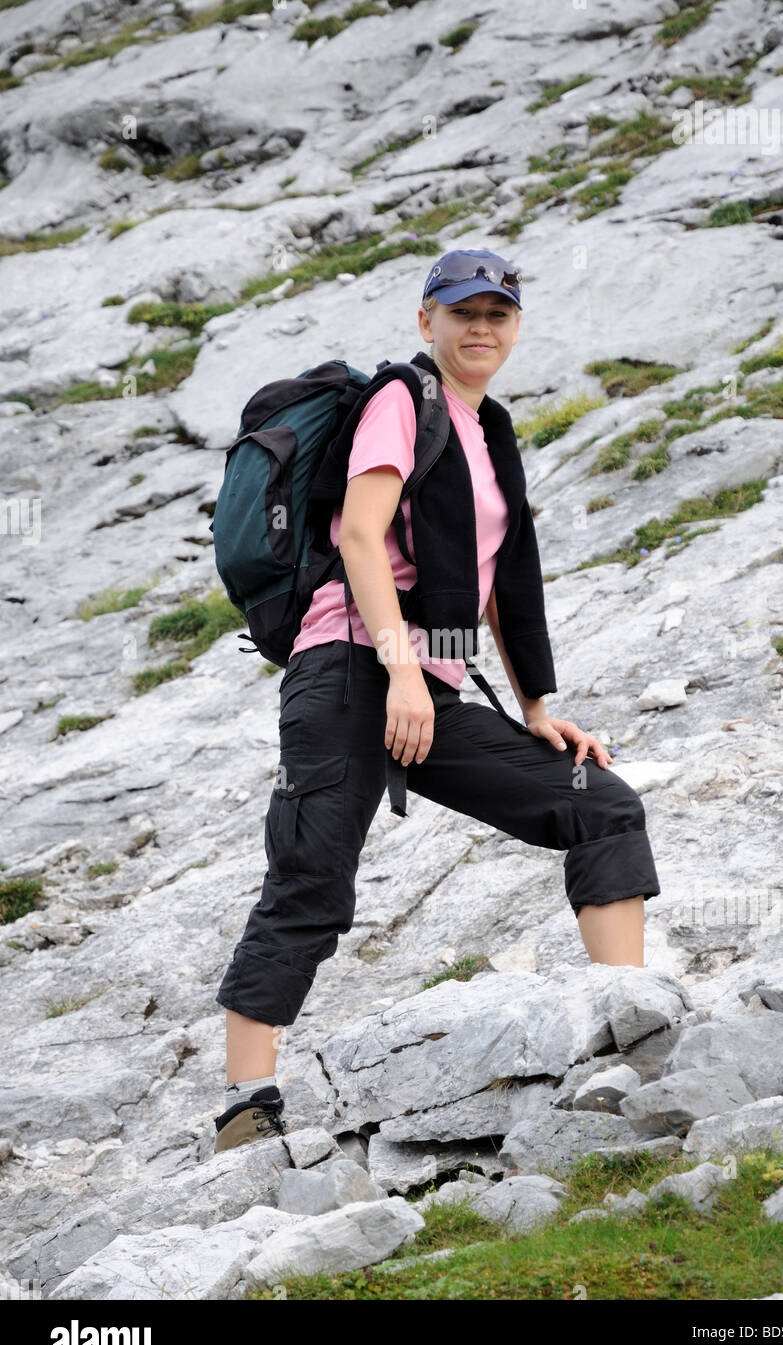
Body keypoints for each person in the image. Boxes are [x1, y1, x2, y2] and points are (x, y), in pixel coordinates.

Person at [211, 248, 661, 1152]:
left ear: (516, 326)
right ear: (428, 322)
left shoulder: (490, 431)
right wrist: (404, 672)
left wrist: (536, 704)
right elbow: (360, 538)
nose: (480, 327)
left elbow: (504, 580)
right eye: (463, 312)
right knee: (312, 881)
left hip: (431, 690)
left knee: (599, 803)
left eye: (498, 312)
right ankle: (244, 1107)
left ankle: (633, 1026)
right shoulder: (399, 402)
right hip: (347, 670)